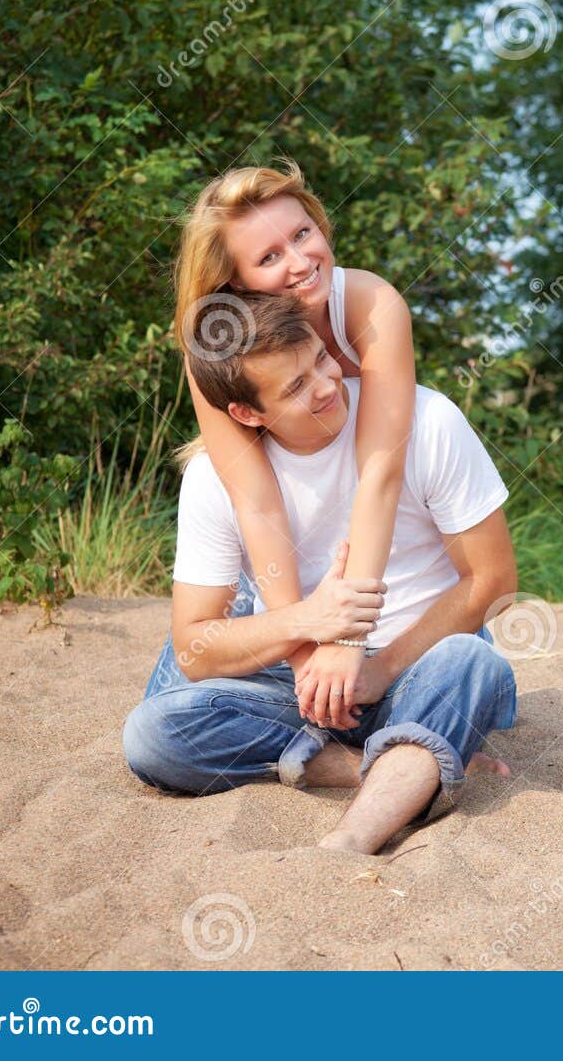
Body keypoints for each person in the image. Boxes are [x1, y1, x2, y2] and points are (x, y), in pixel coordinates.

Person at [123, 291, 519, 854]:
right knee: (152, 735)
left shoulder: (428, 418)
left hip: (411, 668)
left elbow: (493, 581)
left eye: (321, 361)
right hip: (297, 690)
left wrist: (376, 672)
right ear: (247, 413)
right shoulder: (215, 477)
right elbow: (194, 647)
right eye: (295, 387)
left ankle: (353, 838)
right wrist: (312, 619)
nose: (327, 386)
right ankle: (382, 765)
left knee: (472, 662)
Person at [172, 159, 416, 719]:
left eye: (302, 233)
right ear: (235, 283)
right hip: (294, 581)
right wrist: (306, 650)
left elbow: (380, 472)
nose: (302, 263)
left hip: (381, 572)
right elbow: (255, 502)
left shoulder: (371, 304)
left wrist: (346, 637)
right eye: (269, 257)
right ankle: (333, 751)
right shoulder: (212, 351)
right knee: (171, 690)